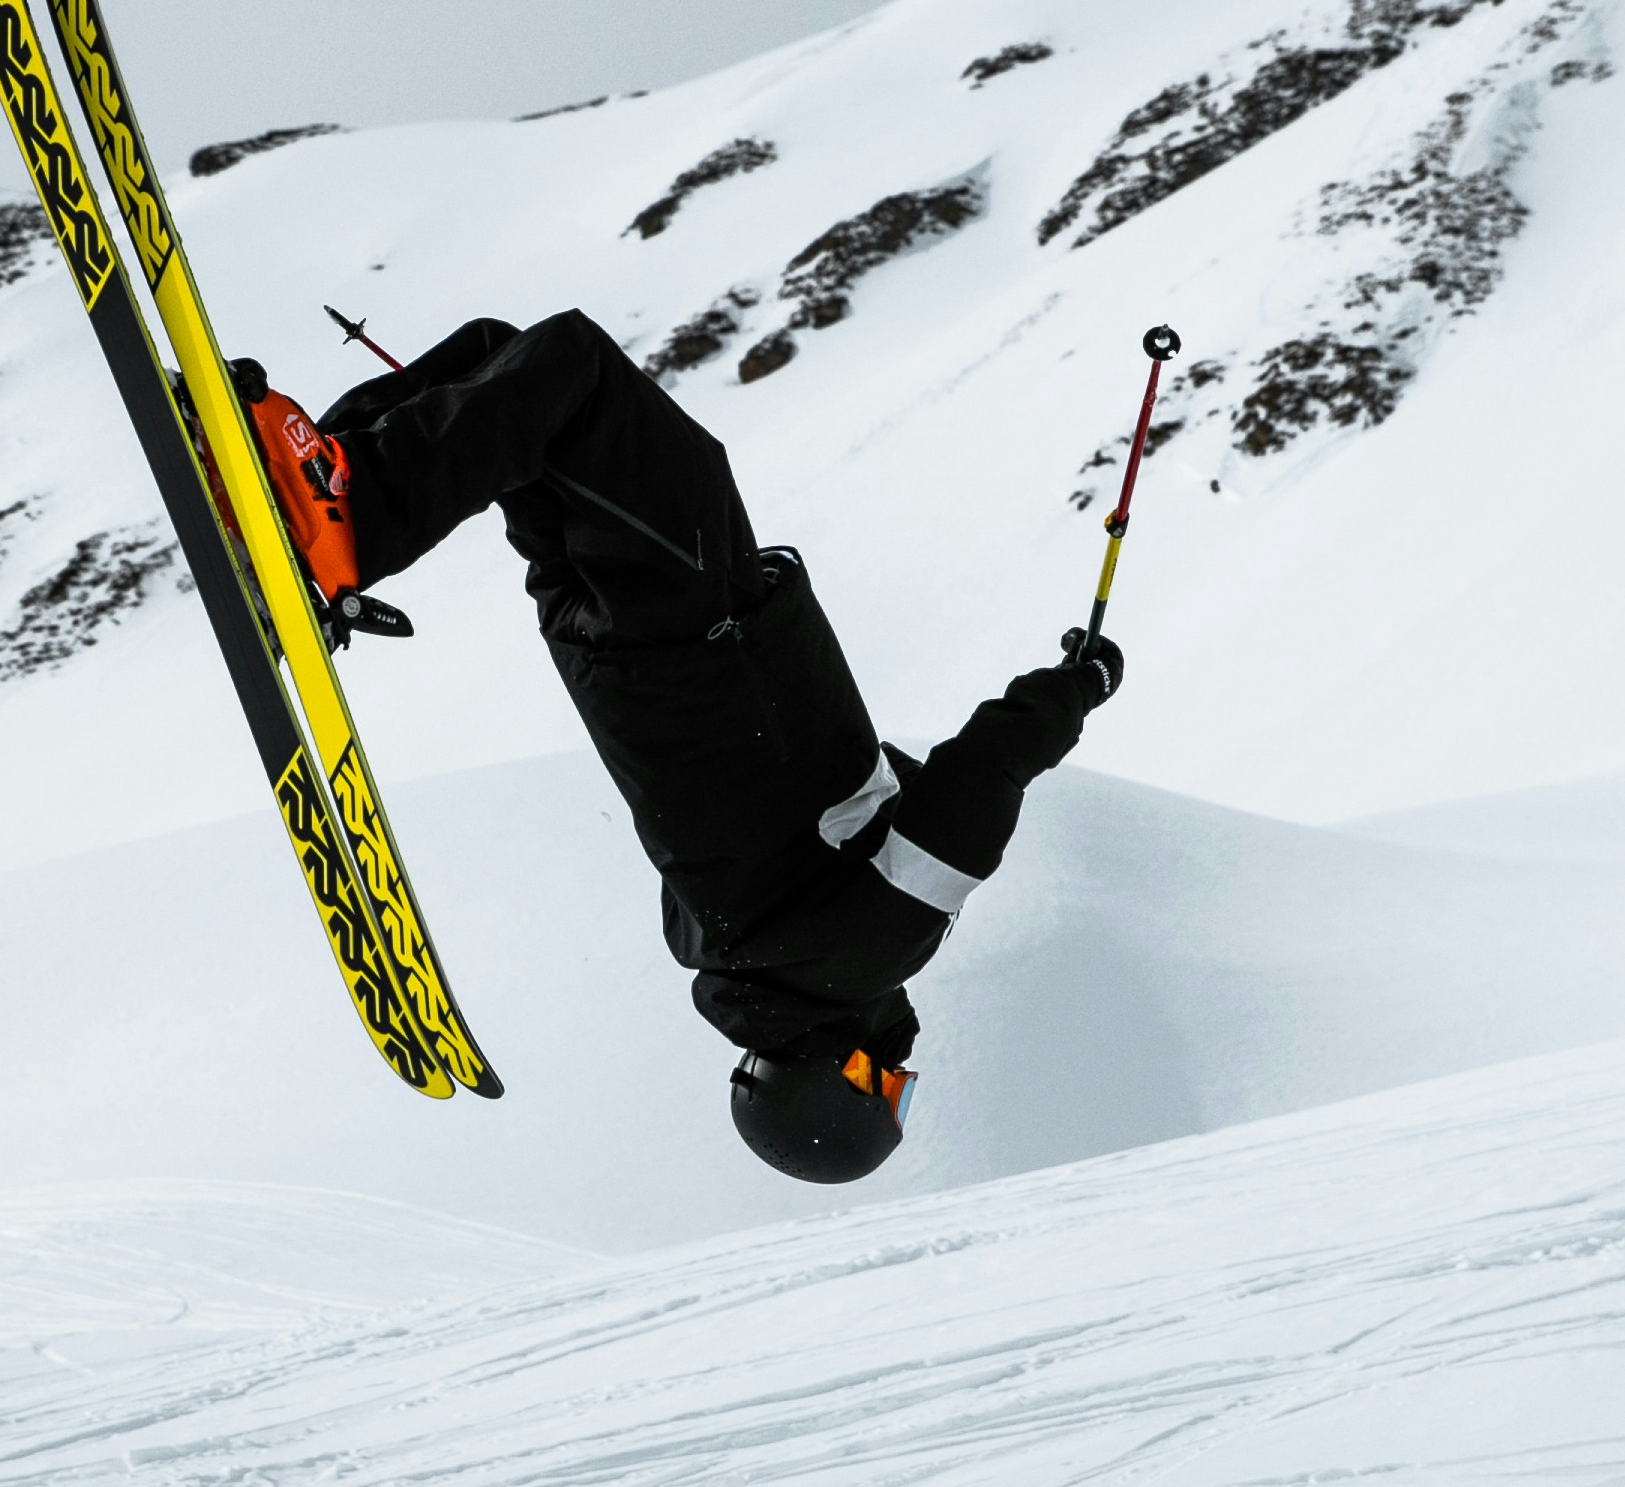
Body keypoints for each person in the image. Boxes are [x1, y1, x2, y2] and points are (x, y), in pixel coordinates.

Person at [281, 310, 1121, 1184]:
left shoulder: (873, 948)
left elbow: (981, 778)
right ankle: (308, 477)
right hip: (606, 647)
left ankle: (342, 519)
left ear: (839, 1079)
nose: (900, 1068)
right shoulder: (724, 948)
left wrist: (1075, 691)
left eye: (886, 1087)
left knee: (574, 369)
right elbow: (817, 811)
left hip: (694, 625)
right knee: (509, 368)